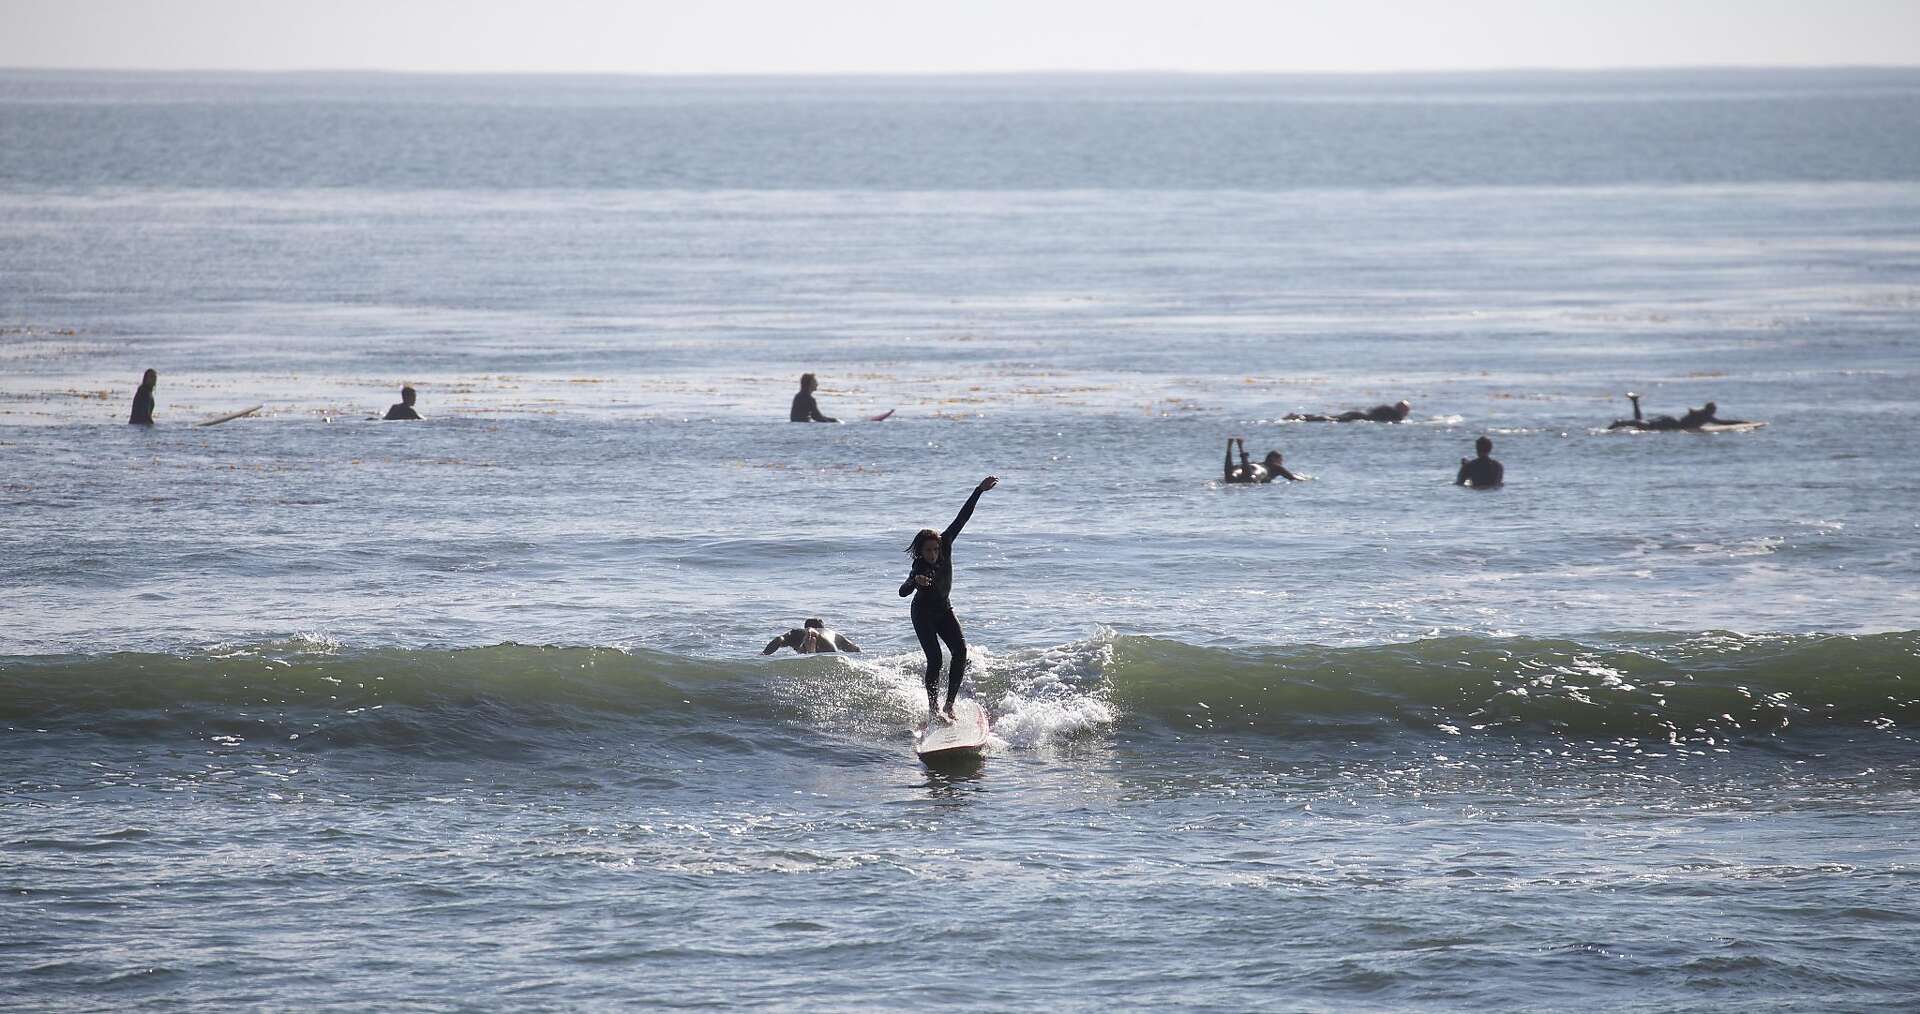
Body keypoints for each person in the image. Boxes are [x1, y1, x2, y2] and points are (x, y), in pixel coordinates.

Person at [899, 476, 997, 722]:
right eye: (928, 550)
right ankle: (933, 710)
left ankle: (949, 705)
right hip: (922, 614)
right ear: (920, 551)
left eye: (935, 549)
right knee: (935, 659)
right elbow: (902, 591)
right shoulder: (919, 566)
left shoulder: (946, 543)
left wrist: (979, 490)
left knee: (960, 651)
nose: (933, 554)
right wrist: (915, 582)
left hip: (944, 610)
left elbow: (962, 518)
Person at [1607, 392, 1749, 431]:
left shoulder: (1701, 413)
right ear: (1710, 410)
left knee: (1641, 424)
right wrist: (1743, 422)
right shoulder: (1706, 416)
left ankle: (1634, 401)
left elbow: (1722, 422)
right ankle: (1620, 422)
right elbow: (1723, 423)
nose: (1715, 413)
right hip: (1672, 424)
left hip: (1671, 419)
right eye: (1714, 410)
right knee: (1644, 426)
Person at [762, 618, 862, 655]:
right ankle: (814, 638)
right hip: (827, 644)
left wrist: (764, 654)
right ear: (822, 628)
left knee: (807, 656)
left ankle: (810, 642)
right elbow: (855, 649)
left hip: (804, 643)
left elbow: (779, 639)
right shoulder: (833, 634)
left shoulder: (797, 633)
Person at [1223, 437, 1301, 484]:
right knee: (1249, 479)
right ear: (1273, 459)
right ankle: (1241, 448)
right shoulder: (1275, 466)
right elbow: (1292, 478)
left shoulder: (1257, 463)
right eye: (1280, 460)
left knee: (1229, 477)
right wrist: (1305, 480)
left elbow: (1234, 467)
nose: (1281, 463)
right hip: (1253, 473)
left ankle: (1229, 449)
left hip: (1247, 466)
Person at [1284, 399, 1412, 423]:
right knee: (1332, 419)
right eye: (1405, 409)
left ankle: (1300, 416)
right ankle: (1301, 418)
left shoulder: (1387, 410)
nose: (1405, 412)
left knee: (1331, 417)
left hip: (1358, 415)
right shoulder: (1394, 416)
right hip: (1358, 417)